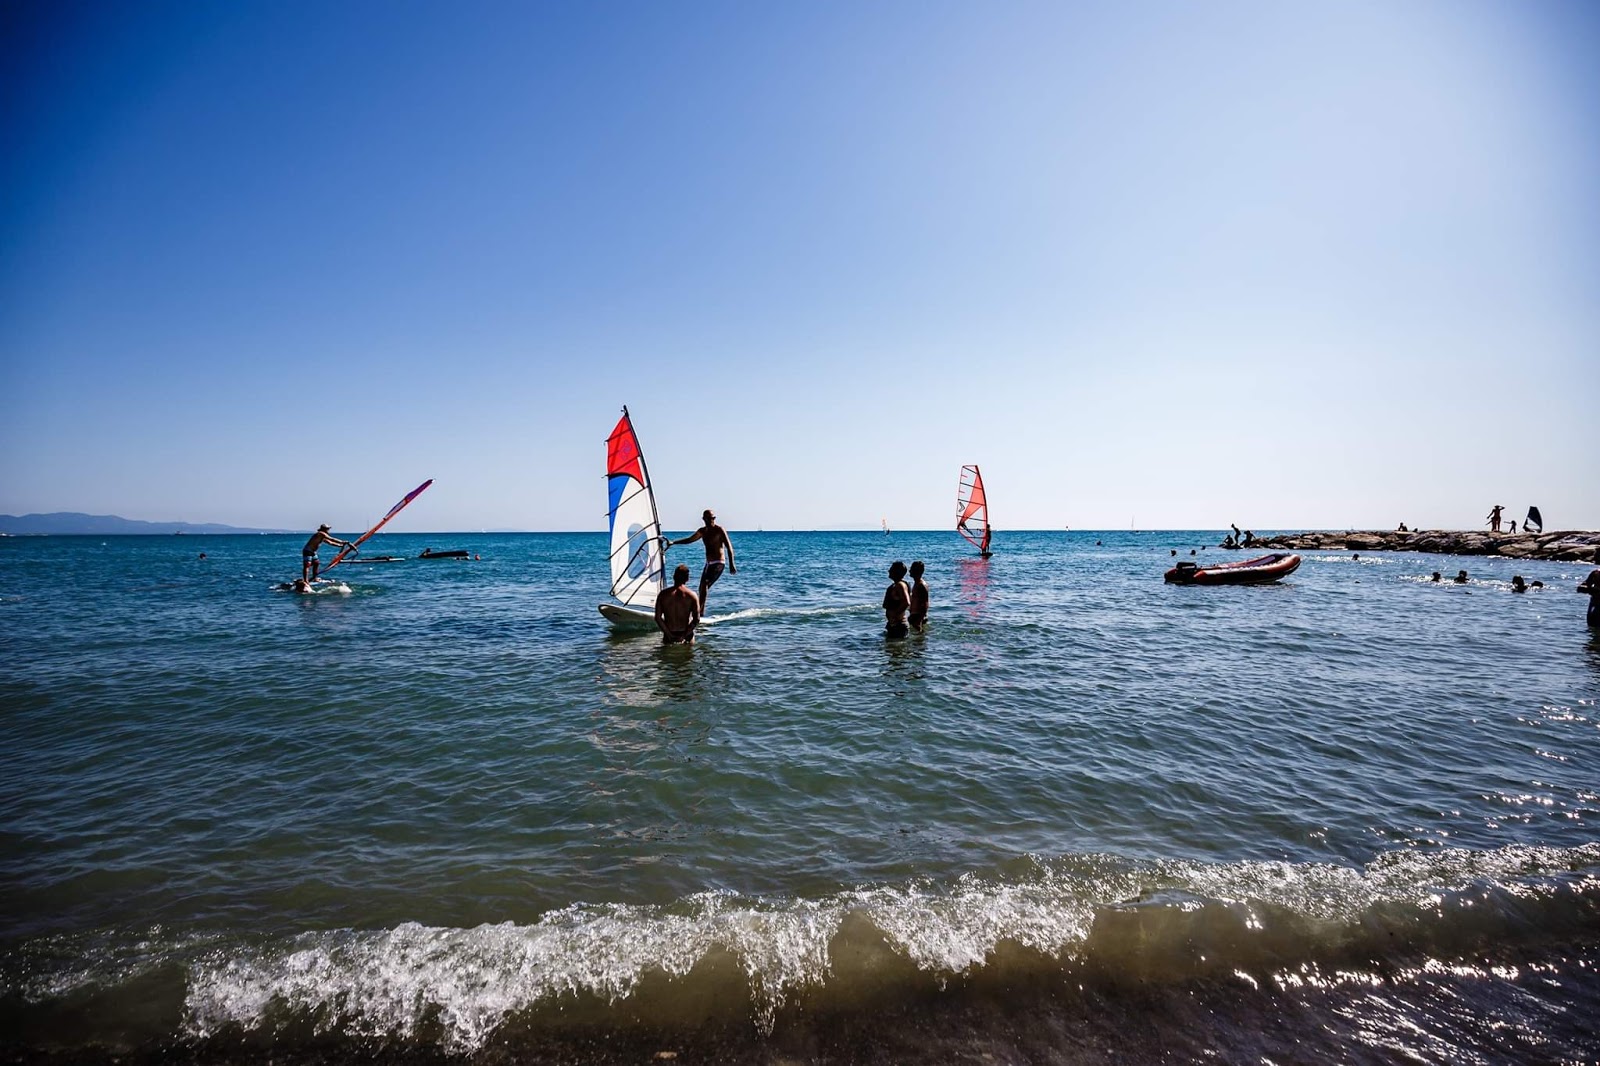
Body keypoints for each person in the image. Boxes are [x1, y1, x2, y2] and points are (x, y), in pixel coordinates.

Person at [669, 509, 736, 612]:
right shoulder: (702, 531)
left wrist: (732, 564)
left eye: (713, 518)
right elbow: (689, 540)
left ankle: (699, 613)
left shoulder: (719, 530)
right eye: (708, 518)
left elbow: (729, 547)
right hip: (708, 564)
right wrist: (673, 542)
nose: (711, 520)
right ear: (704, 519)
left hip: (719, 563)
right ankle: (700, 612)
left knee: (704, 585)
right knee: (701, 588)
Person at [654, 563, 701, 644]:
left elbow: (658, 618)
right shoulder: (692, 595)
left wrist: (669, 635)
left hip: (669, 635)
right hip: (686, 636)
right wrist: (683, 636)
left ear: (674, 577)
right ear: (687, 578)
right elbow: (696, 619)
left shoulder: (663, 595)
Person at [883, 561, 911, 639]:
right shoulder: (900, 584)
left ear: (896, 572)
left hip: (898, 625)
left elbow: (907, 602)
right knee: (892, 649)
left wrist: (895, 616)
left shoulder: (900, 585)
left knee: (896, 650)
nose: (889, 571)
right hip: (895, 625)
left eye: (891, 569)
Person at [1579, 549, 1600, 629]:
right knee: (1592, 628)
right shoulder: (1595, 573)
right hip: (1594, 605)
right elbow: (1581, 587)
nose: (1594, 557)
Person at [908, 560, 929, 632]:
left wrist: (919, 620)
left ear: (915, 571)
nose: (909, 570)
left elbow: (925, 603)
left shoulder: (921, 585)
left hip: (918, 617)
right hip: (915, 615)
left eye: (911, 568)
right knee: (916, 640)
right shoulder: (917, 583)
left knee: (918, 640)